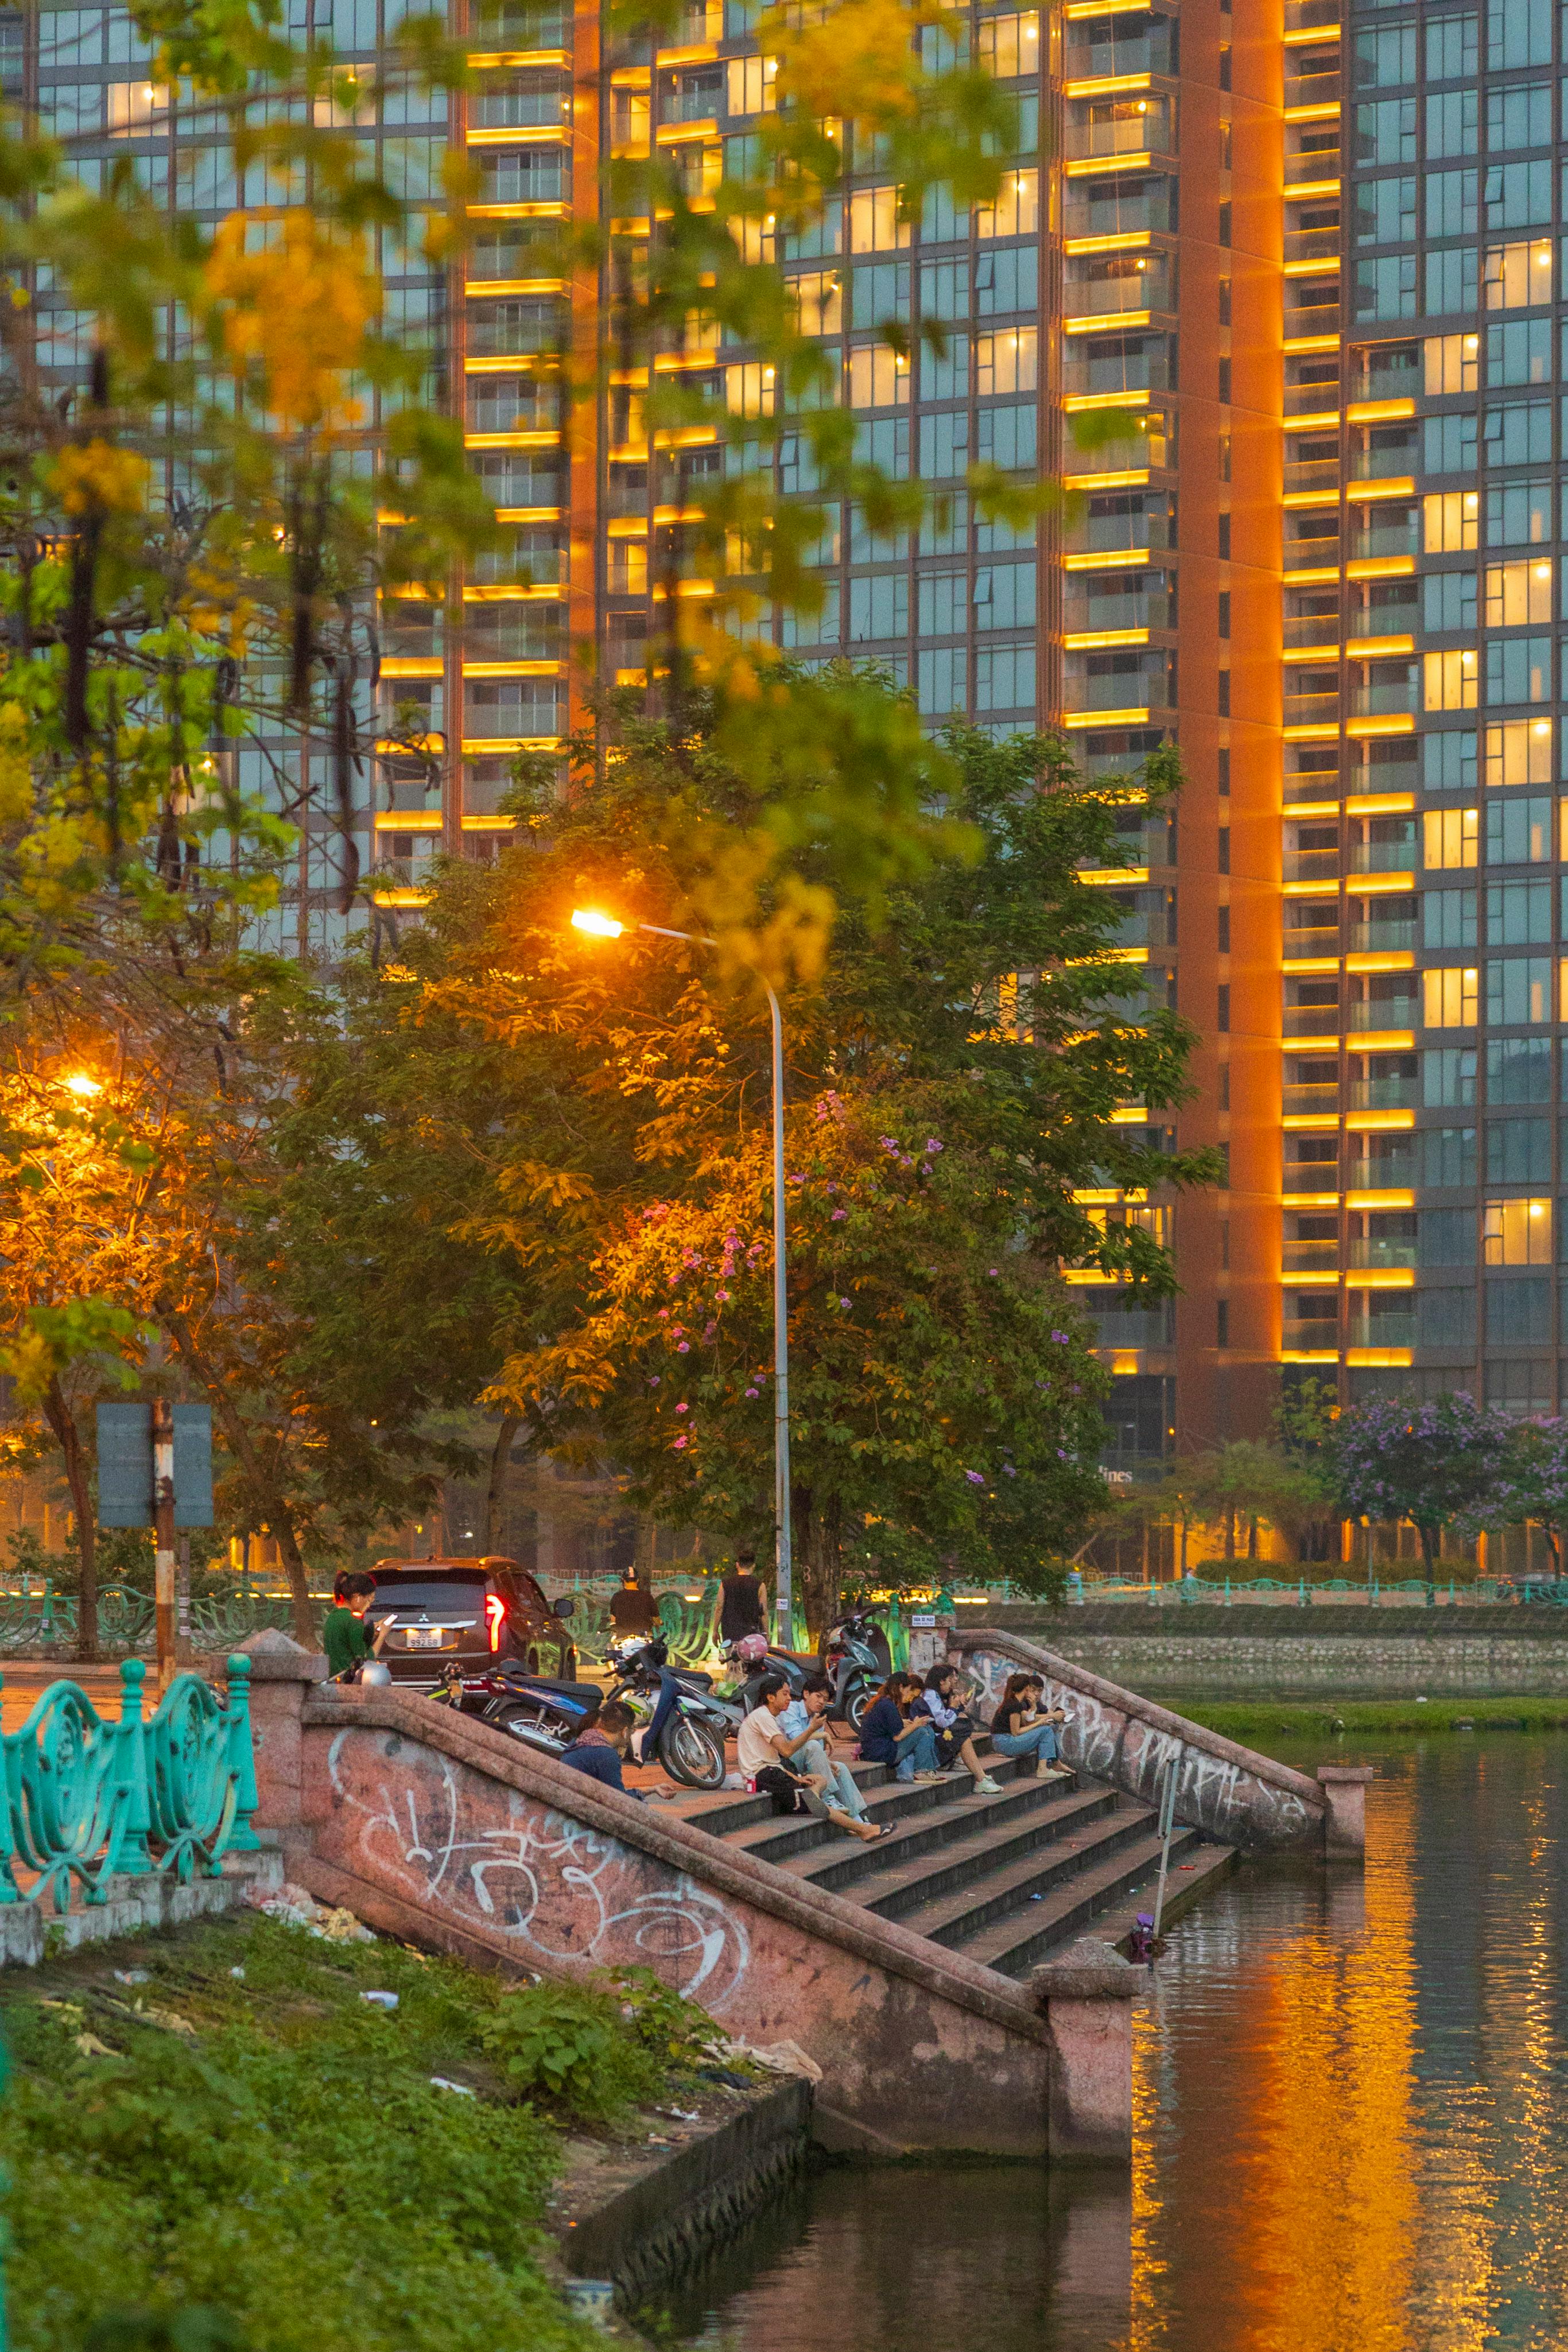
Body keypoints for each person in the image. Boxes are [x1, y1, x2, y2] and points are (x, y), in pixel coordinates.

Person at [737, 1675, 887, 1842]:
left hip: (777, 1770)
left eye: (789, 1694)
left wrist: (796, 1776)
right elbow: (787, 1750)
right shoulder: (764, 1717)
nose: (789, 1698)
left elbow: (774, 1760)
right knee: (815, 1801)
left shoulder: (769, 1716)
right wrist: (813, 1730)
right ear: (771, 1697)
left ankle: (856, 1818)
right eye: (785, 1694)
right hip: (764, 1776)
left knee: (824, 1778)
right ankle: (861, 1829)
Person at [777, 1672, 870, 1822]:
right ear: (806, 1694)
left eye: (825, 1700)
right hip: (784, 1763)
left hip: (803, 1763)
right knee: (812, 1744)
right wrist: (821, 1734)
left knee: (840, 1768)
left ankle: (858, 1819)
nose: (821, 1702)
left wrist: (828, 1763)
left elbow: (817, 1754)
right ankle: (827, 1797)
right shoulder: (791, 1709)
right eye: (818, 1696)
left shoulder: (817, 1718)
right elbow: (796, 1739)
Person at [918, 1664, 1001, 1795]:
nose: (952, 1683)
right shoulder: (930, 1695)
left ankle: (981, 1778)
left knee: (964, 1733)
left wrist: (958, 1707)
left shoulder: (938, 1695)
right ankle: (981, 1779)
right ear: (941, 1681)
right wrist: (953, 1708)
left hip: (936, 1737)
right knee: (964, 1737)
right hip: (930, 1742)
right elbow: (942, 1722)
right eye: (950, 1680)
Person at [859, 1671, 945, 1783]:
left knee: (926, 1728)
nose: (908, 1695)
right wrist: (915, 1725)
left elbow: (886, 1725)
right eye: (908, 1691)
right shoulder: (887, 1705)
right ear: (900, 1687)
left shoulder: (884, 1702)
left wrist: (905, 1723)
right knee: (922, 1732)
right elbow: (897, 1737)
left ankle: (929, 1770)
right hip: (880, 1753)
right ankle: (923, 1771)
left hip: (878, 1750)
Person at [988, 1672, 1069, 1780]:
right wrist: (1040, 1723)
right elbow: (1016, 1732)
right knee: (1045, 1731)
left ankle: (1053, 1763)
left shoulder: (1016, 1702)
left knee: (1047, 1728)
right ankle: (1043, 1770)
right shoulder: (1014, 1705)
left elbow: (1029, 1718)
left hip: (1003, 1742)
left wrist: (1034, 1706)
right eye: (1032, 1689)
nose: (1035, 1693)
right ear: (1027, 1688)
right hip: (1004, 1743)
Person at [558, 1699, 641, 1796]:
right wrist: (640, 1795)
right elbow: (619, 1799)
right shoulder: (606, 1755)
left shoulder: (580, 1740)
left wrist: (647, 1790)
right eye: (632, 1731)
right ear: (625, 1731)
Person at [321, 1573, 389, 1680]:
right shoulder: (353, 1621)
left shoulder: (333, 1616)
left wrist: (370, 1633)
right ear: (357, 1597)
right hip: (348, 1681)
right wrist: (383, 1635)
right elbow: (367, 1658)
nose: (369, 1604)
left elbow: (346, 1644)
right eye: (368, 1599)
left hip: (333, 1679)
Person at [720, 1551, 770, 1646]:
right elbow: (764, 1611)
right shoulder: (760, 1586)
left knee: (732, 1659)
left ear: (737, 1565)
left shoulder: (725, 1584)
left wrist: (715, 1631)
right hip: (752, 1635)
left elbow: (719, 1607)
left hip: (730, 1633)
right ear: (754, 1566)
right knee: (751, 1659)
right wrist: (767, 1634)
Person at [608, 1567, 659, 1638]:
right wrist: (659, 1622)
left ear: (623, 1580)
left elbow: (613, 1619)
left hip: (622, 1636)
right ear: (638, 1580)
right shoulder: (647, 1596)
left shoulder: (617, 1597)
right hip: (643, 1636)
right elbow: (656, 1618)